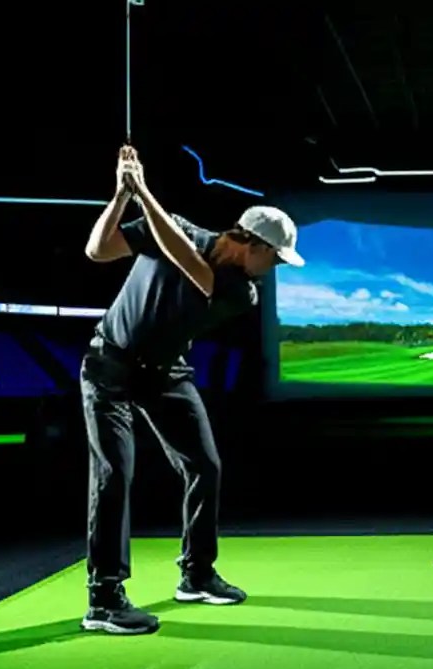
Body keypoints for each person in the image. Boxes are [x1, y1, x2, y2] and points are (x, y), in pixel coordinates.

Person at [78, 146, 304, 635]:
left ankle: (197, 574)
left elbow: (187, 261)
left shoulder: (241, 291)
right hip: (109, 366)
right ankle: (104, 598)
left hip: (165, 373)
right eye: (277, 258)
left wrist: (144, 192)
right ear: (254, 244)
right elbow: (98, 250)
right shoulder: (173, 227)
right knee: (113, 472)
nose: (277, 268)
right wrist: (122, 196)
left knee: (205, 464)